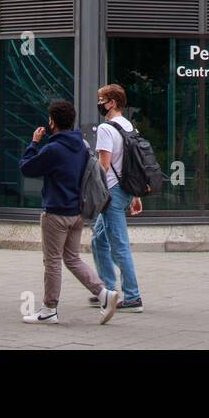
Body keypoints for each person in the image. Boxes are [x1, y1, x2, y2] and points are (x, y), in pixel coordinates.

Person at [18, 100, 121, 326]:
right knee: (72, 258)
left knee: (53, 262)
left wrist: (34, 143)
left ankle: (49, 309)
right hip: (77, 212)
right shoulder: (82, 146)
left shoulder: (53, 148)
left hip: (56, 213)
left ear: (52, 122)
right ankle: (104, 293)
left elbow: (27, 167)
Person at [90, 84, 143, 313]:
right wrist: (136, 195)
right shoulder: (129, 126)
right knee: (98, 240)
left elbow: (103, 164)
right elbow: (135, 163)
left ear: (112, 102)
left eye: (102, 99)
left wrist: (91, 189)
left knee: (119, 245)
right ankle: (107, 290)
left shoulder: (105, 128)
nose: (100, 103)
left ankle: (133, 297)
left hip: (110, 192)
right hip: (125, 190)